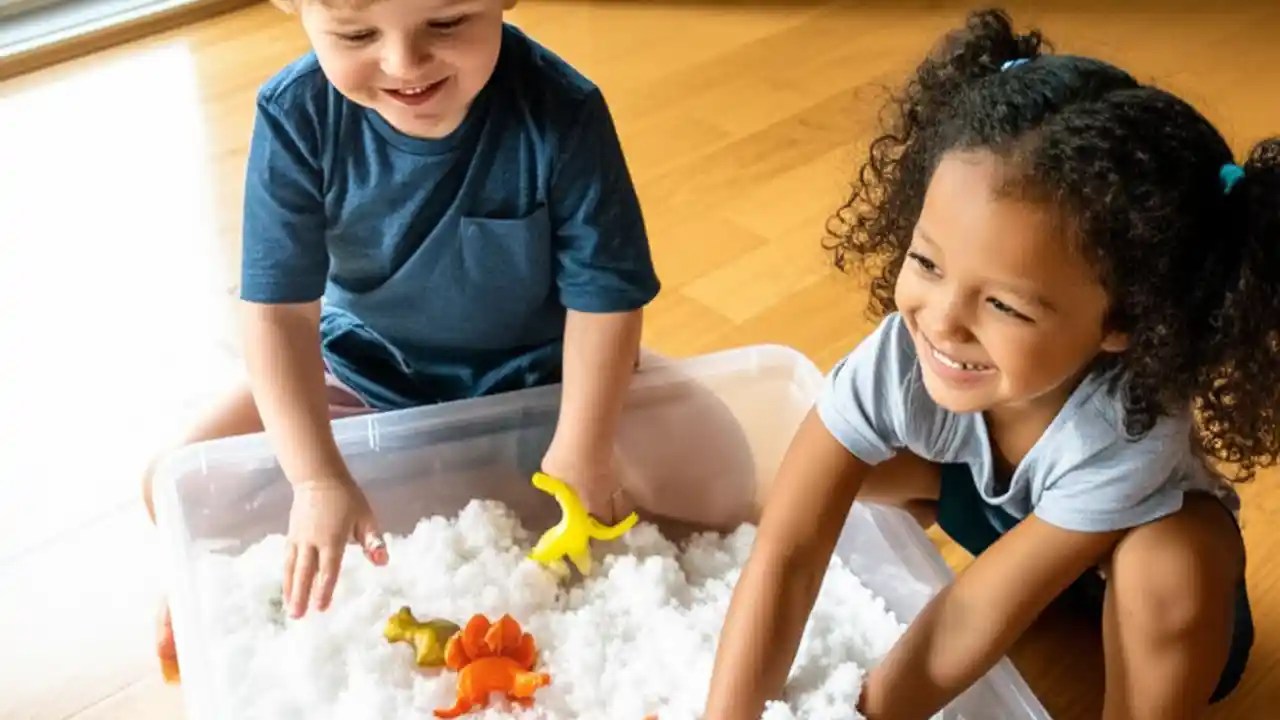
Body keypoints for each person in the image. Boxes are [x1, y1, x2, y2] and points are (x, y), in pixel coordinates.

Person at [706, 8, 1277, 718]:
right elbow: (788, 552)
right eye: (926, 262)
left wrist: (865, 714)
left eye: (1004, 306)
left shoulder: (1131, 427)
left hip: (1139, 590)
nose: (943, 320)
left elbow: (972, 617)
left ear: (1126, 319)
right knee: (822, 457)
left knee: (1176, 558)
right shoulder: (898, 357)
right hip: (1010, 525)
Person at [142, 0, 660, 682]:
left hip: (545, 381)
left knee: (724, 462)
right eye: (357, 34)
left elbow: (605, 303)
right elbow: (279, 318)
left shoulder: (565, 111)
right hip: (363, 373)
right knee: (171, 483)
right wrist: (317, 477)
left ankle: (459, 484)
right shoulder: (296, 115)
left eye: (446, 24)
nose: (403, 64)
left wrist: (583, 449)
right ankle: (223, 583)